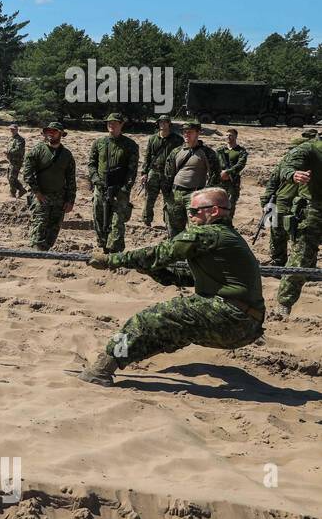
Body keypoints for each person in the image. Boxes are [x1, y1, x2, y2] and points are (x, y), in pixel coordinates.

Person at [78, 187, 263, 385]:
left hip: (231, 316)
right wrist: (150, 269)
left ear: (215, 211)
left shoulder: (209, 234)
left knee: (141, 322)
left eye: (194, 211)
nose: (190, 216)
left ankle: (102, 368)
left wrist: (111, 260)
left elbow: (159, 253)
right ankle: (118, 360)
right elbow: (183, 278)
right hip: (245, 322)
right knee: (168, 334)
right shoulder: (226, 237)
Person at [272, 133, 322, 318]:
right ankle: (284, 303)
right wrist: (293, 174)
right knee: (301, 257)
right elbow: (287, 164)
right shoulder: (310, 148)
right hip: (314, 210)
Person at [259, 128, 316, 267]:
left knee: (303, 235)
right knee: (276, 231)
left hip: (304, 206)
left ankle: (307, 265)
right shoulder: (286, 162)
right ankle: (278, 260)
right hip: (281, 202)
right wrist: (266, 202)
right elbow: (273, 181)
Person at [87, 112, 139, 253]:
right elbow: (91, 164)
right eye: (109, 122)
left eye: (115, 123)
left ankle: (115, 252)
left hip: (119, 189)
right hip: (100, 187)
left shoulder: (130, 145)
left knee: (117, 222)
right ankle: (103, 247)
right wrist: (96, 180)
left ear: (121, 124)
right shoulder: (99, 143)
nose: (111, 125)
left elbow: (132, 169)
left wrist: (125, 187)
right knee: (100, 218)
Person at [22, 121, 76, 250]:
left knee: (54, 229)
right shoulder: (37, 150)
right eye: (48, 131)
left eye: (54, 131)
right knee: (39, 225)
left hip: (59, 198)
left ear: (61, 134)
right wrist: (37, 193)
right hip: (41, 196)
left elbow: (71, 179)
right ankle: (35, 254)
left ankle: (44, 253)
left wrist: (70, 200)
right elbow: (27, 173)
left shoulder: (67, 155)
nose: (50, 133)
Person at [162, 120, 220, 236]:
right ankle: (176, 253)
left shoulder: (207, 153)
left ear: (198, 133)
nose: (186, 135)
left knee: (196, 230)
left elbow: (215, 175)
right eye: (184, 132)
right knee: (173, 229)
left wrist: (205, 195)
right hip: (175, 194)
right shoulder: (176, 151)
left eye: (190, 132)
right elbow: (168, 174)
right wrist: (167, 194)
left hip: (195, 195)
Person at [138, 115, 182, 226]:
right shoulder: (153, 139)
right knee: (149, 198)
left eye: (165, 122)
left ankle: (168, 222)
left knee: (168, 199)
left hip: (169, 174)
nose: (162, 124)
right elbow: (147, 156)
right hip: (153, 171)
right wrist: (144, 173)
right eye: (160, 122)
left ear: (169, 124)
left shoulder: (177, 140)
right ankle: (146, 220)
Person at [216, 128, 249, 220]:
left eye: (231, 135)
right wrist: (219, 173)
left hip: (233, 181)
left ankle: (228, 223)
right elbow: (214, 163)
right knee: (218, 202)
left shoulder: (241, 151)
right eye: (227, 135)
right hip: (220, 180)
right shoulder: (220, 150)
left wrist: (227, 172)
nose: (228, 137)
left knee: (231, 203)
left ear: (236, 136)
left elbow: (240, 165)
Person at [5, 123, 27, 198]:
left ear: (17, 130)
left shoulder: (20, 139)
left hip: (17, 161)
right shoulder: (11, 138)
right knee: (9, 177)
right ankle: (21, 189)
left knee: (12, 178)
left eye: (13, 129)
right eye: (11, 129)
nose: (12, 130)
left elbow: (18, 149)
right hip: (11, 161)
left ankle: (13, 194)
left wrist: (8, 152)